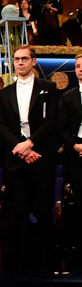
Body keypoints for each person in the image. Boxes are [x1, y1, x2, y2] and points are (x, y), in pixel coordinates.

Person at [0, 45, 60, 275]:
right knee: (19, 212)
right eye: (17, 59)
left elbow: (52, 121)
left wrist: (31, 143)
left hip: (41, 156)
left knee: (43, 211)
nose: (20, 63)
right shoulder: (4, 93)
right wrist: (20, 147)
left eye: (24, 59)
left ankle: (46, 264)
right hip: (15, 159)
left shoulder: (49, 88)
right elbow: (0, 125)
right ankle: (22, 265)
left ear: (34, 61)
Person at [58, 53, 82, 269]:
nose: (80, 69)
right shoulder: (68, 96)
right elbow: (62, 128)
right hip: (76, 156)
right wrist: (75, 145)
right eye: (77, 66)